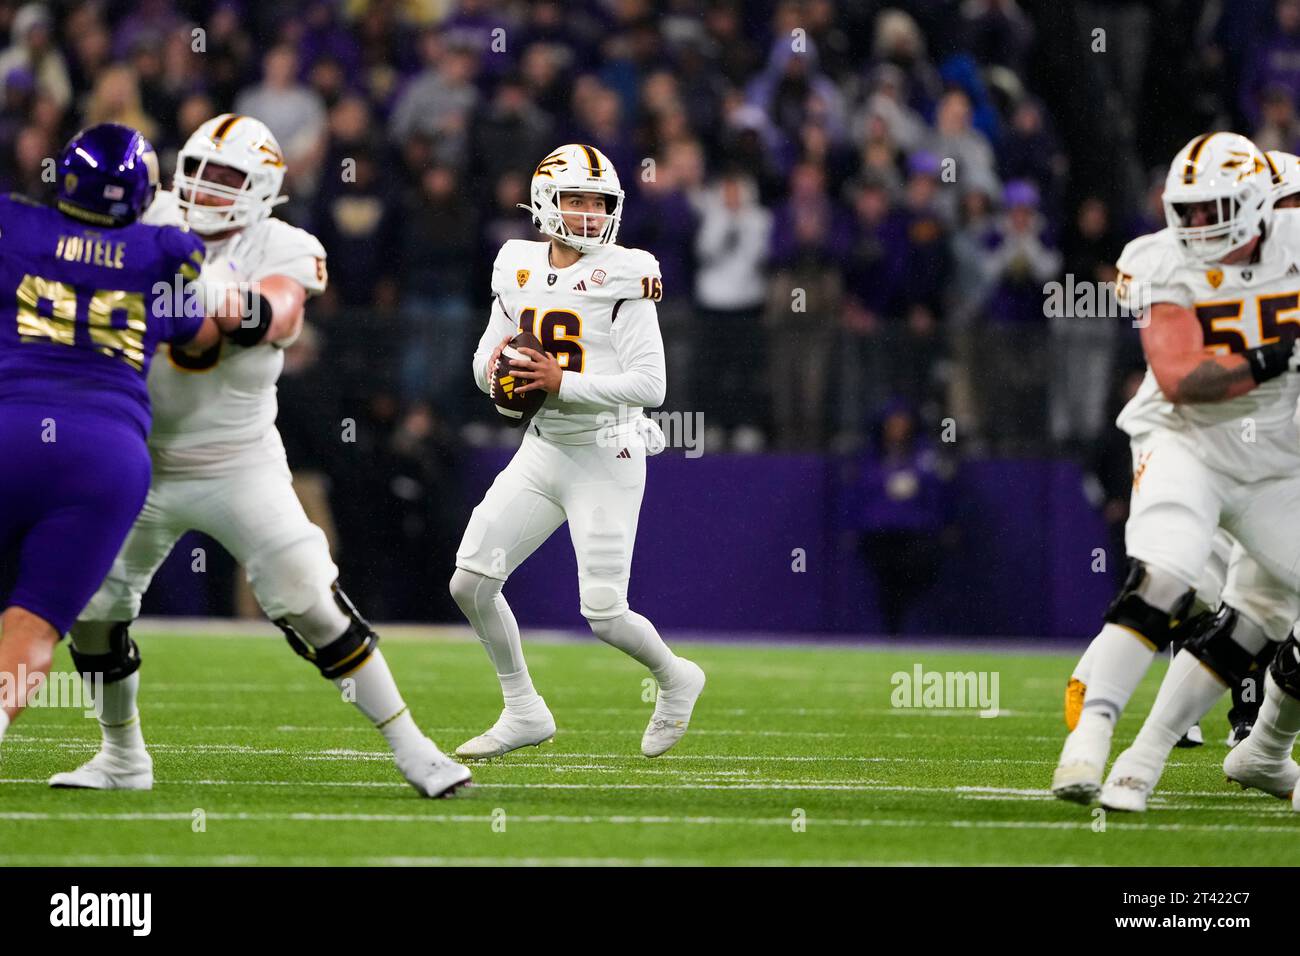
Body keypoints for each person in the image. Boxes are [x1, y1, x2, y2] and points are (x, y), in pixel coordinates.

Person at [54, 114, 470, 799]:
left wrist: (210, 293)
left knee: (310, 597)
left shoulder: (287, 245)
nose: (203, 187)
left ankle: (413, 747)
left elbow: (274, 314)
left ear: (263, 189)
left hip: (236, 460)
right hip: (138, 458)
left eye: (224, 177)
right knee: (94, 608)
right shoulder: (141, 215)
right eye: (195, 170)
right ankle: (122, 756)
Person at [1051, 133, 1300, 808]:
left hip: (1277, 465)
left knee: (1260, 613)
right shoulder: (1161, 259)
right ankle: (1091, 737)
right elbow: (1182, 376)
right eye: (1185, 209)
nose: (1193, 225)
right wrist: (1276, 357)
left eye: (1209, 209)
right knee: (1168, 575)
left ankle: (1159, 757)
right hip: (1186, 440)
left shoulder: (1291, 235)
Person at [450, 143, 706, 759]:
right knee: (471, 582)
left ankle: (676, 677)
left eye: (599, 202)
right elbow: (486, 358)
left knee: (604, 613)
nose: (590, 214)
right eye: (577, 200)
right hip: (542, 449)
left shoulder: (625, 272)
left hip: (608, 449)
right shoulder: (515, 264)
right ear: (544, 202)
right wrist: (501, 375)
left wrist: (561, 382)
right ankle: (523, 710)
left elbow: (652, 386)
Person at [0, 123, 235, 749]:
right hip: (105, 456)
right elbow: (203, 335)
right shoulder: (163, 252)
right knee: (31, 627)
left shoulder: (16, 228)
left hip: (11, 430)